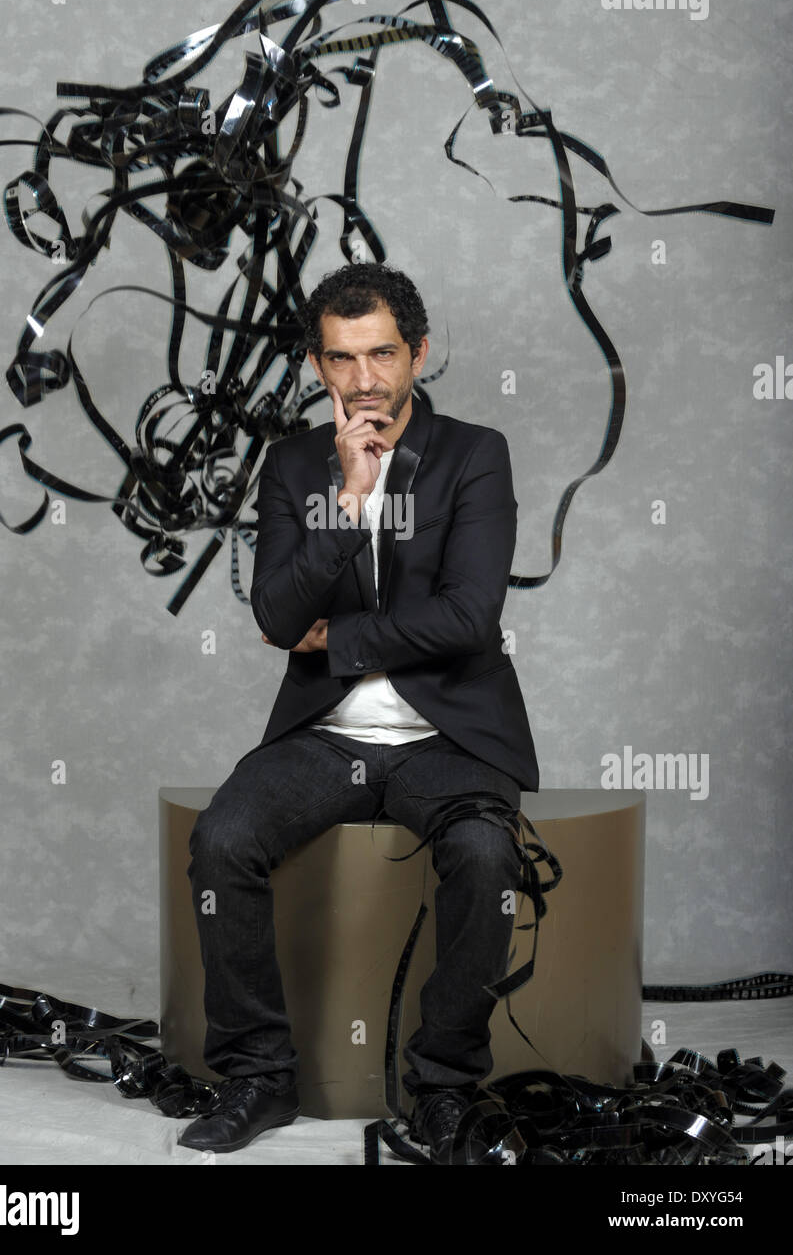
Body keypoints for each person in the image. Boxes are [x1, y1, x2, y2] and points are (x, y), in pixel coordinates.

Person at [179, 262, 540, 1162]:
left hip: (449, 732)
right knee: (223, 837)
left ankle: (443, 1090)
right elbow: (271, 618)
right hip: (326, 732)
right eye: (342, 360)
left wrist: (334, 637)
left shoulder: (473, 453)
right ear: (315, 366)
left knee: (485, 851)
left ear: (417, 353)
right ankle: (260, 1076)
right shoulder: (295, 464)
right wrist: (345, 499)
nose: (365, 379)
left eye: (382, 353)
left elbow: (469, 617)